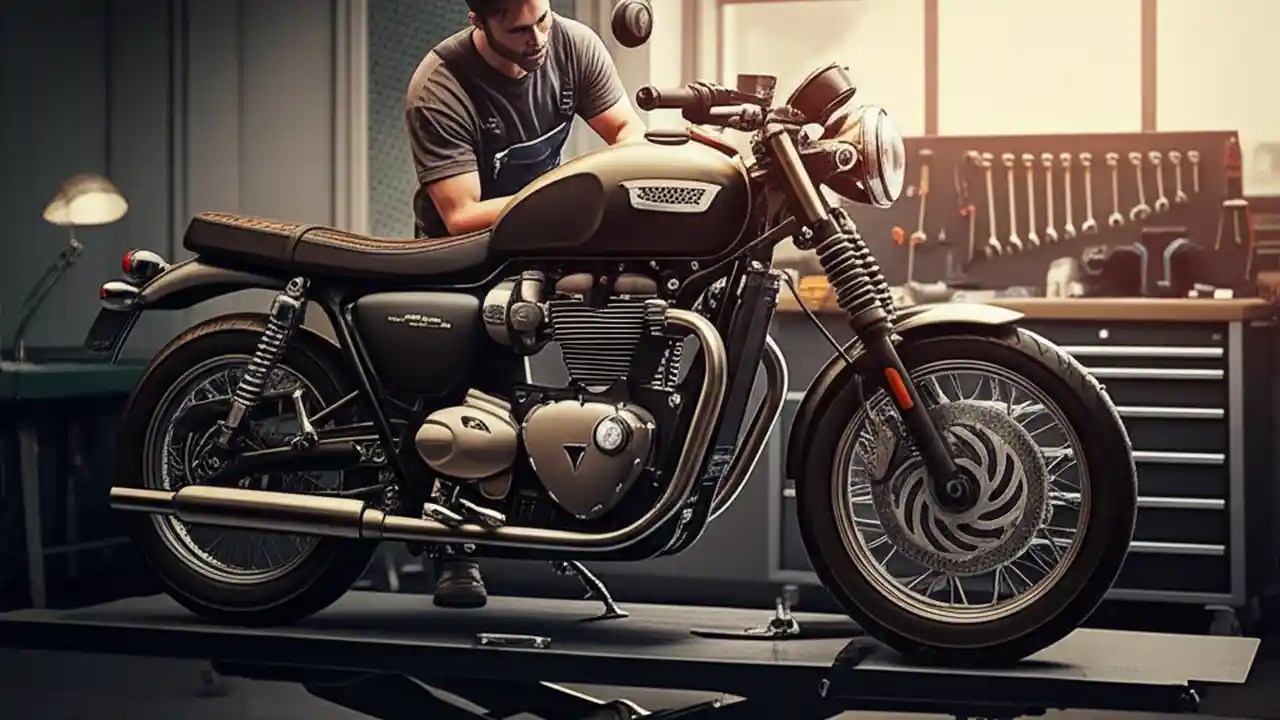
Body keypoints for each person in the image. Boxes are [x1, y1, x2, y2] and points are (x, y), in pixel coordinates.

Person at [404, 0, 647, 608]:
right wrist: (565, 194)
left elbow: (627, 134)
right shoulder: (441, 84)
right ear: (477, 21)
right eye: (519, 28)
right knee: (476, 395)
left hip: (540, 243)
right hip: (459, 256)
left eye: (543, 17)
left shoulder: (572, 44)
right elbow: (460, 215)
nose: (538, 37)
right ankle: (451, 549)